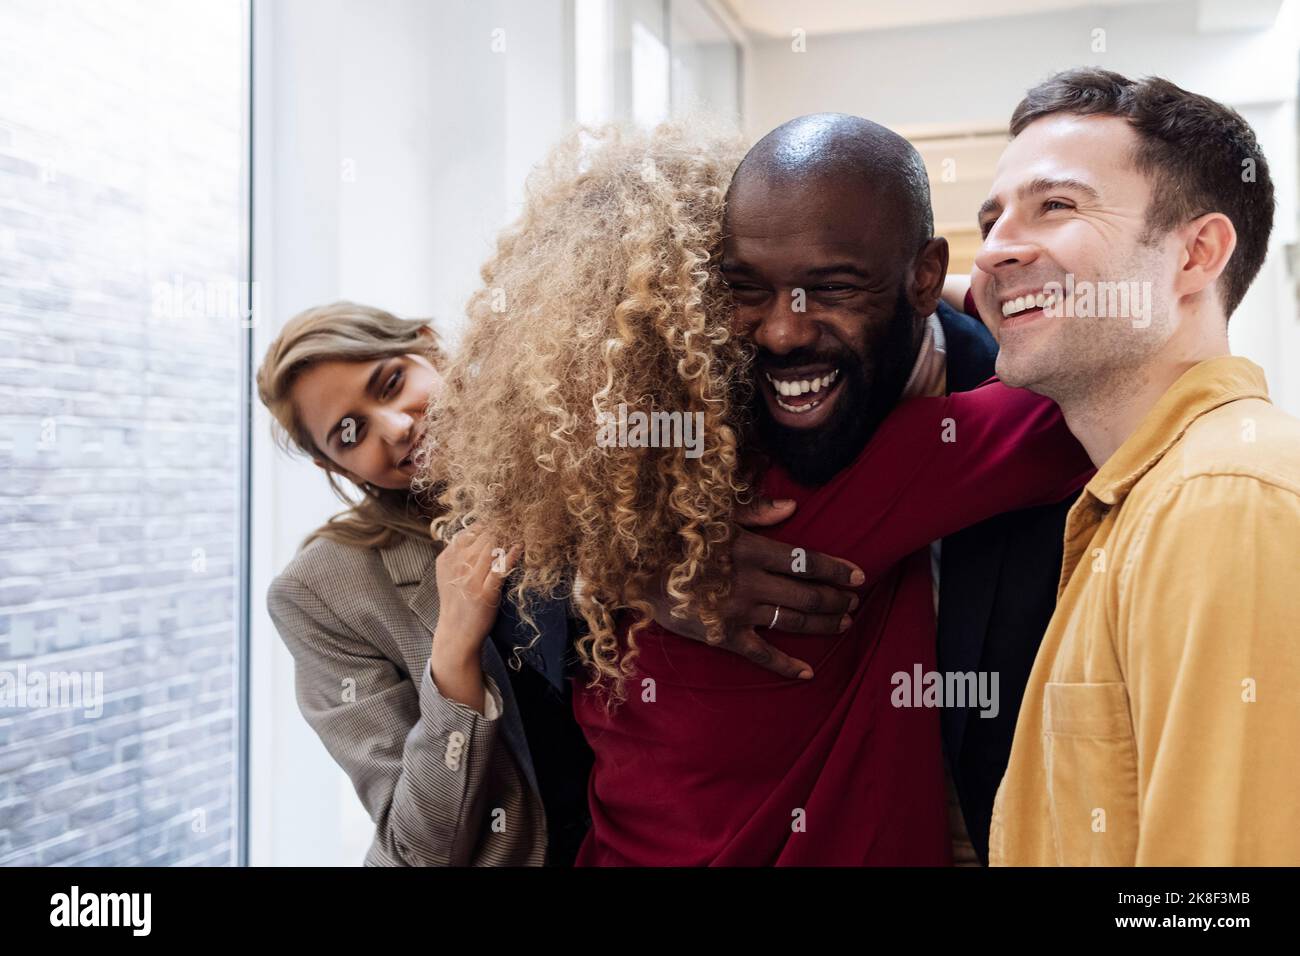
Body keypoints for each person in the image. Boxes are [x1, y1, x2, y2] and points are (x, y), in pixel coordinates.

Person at [428, 118, 1094, 864]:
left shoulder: (595, 498)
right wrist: (987, 292)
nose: (782, 330)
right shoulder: (821, 489)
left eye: (830, 286)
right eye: (745, 290)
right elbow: (1090, 391)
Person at [973, 68, 1300, 865]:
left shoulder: (1221, 500)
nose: (994, 250)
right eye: (992, 220)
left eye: (1056, 206)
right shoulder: (1142, 500)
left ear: (1196, 253)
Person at [258, 302, 592, 866]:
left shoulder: (574, 437)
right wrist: (453, 657)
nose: (395, 428)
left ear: (432, 348)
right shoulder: (320, 593)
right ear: (336, 469)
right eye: (350, 433)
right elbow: (416, 854)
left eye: (391, 383)